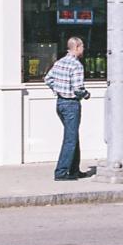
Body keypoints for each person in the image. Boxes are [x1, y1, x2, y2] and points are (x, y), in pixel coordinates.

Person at [44, 37, 91, 181]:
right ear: (76, 47)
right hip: (71, 104)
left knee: (73, 136)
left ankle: (74, 170)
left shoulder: (60, 62)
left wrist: (58, 89)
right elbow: (78, 89)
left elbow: (48, 79)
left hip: (60, 103)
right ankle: (61, 172)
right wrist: (86, 94)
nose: (83, 49)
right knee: (70, 139)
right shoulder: (76, 65)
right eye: (82, 46)